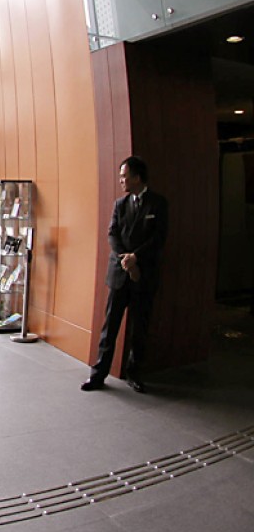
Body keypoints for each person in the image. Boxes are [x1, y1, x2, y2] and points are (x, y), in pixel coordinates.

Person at [82, 156, 168, 394]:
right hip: (121, 274)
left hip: (144, 275)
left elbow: (158, 239)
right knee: (110, 326)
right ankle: (98, 374)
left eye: (124, 176)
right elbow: (112, 234)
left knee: (140, 327)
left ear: (137, 177)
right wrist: (125, 259)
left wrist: (136, 259)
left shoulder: (158, 204)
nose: (121, 180)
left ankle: (134, 373)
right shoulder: (119, 204)